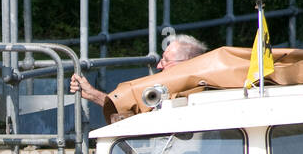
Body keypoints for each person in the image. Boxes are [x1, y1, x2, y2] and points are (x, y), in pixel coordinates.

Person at [69, 33, 207, 112]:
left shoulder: (203, 93)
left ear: (186, 64)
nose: (158, 65)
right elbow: (131, 109)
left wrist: (93, 94)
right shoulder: (168, 91)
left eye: (165, 60)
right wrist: (92, 94)